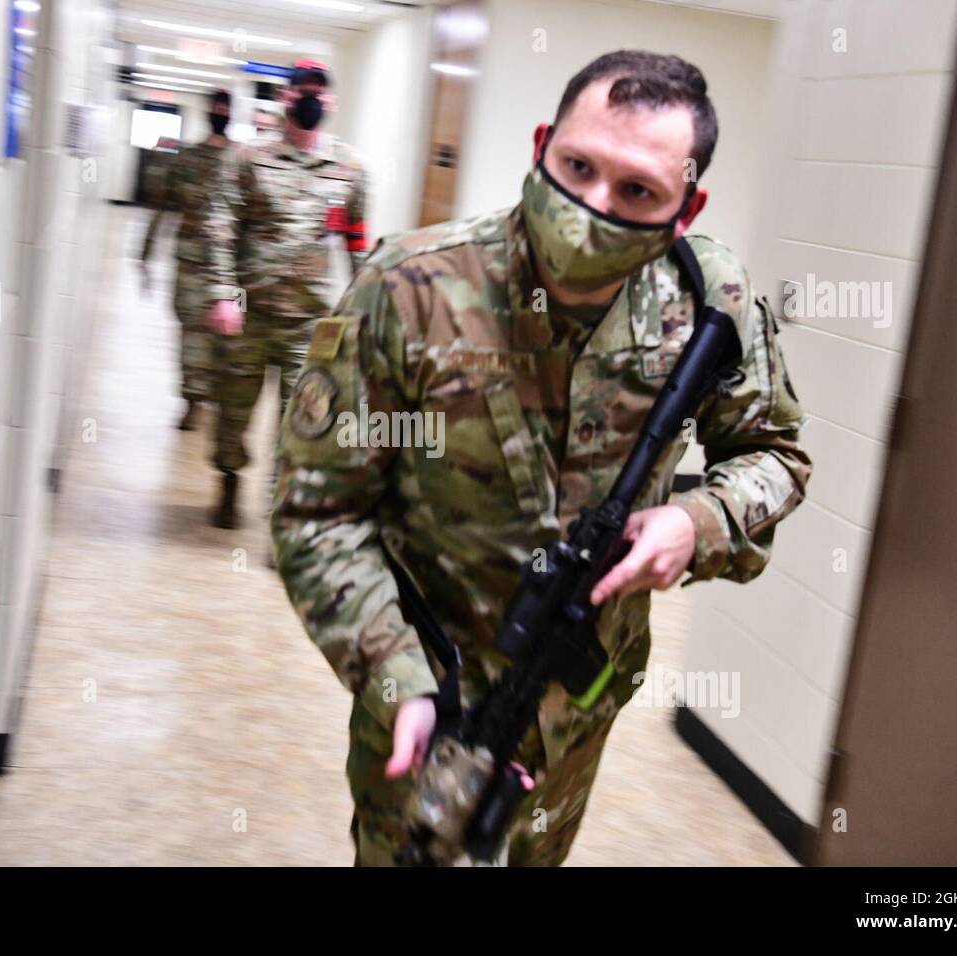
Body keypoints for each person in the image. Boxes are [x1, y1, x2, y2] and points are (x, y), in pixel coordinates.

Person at [270, 50, 813, 866]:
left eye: (636, 191)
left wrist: (696, 521)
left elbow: (774, 454)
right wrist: (394, 673)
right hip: (430, 698)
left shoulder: (709, 298)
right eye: (578, 167)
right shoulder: (407, 287)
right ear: (540, 146)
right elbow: (319, 514)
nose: (593, 206)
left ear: (686, 206)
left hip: (580, 701)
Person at [204, 60, 369, 529]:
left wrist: (363, 306)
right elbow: (221, 229)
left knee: (302, 425)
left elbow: (356, 240)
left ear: (332, 101)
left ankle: (283, 521)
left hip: (311, 321)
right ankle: (229, 477)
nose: (311, 99)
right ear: (284, 98)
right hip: (250, 313)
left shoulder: (349, 170)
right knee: (234, 410)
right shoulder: (247, 159)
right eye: (301, 92)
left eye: (319, 91)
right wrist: (223, 295)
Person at [139, 89, 238, 431]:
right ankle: (193, 400)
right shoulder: (186, 159)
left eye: (225, 108)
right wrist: (146, 253)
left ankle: (215, 395)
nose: (220, 112)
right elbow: (163, 207)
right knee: (192, 333)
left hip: (233, 268)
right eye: (216, 107)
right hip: (191, 263)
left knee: (228, 336)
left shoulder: (242, 161)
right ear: (208, 111)